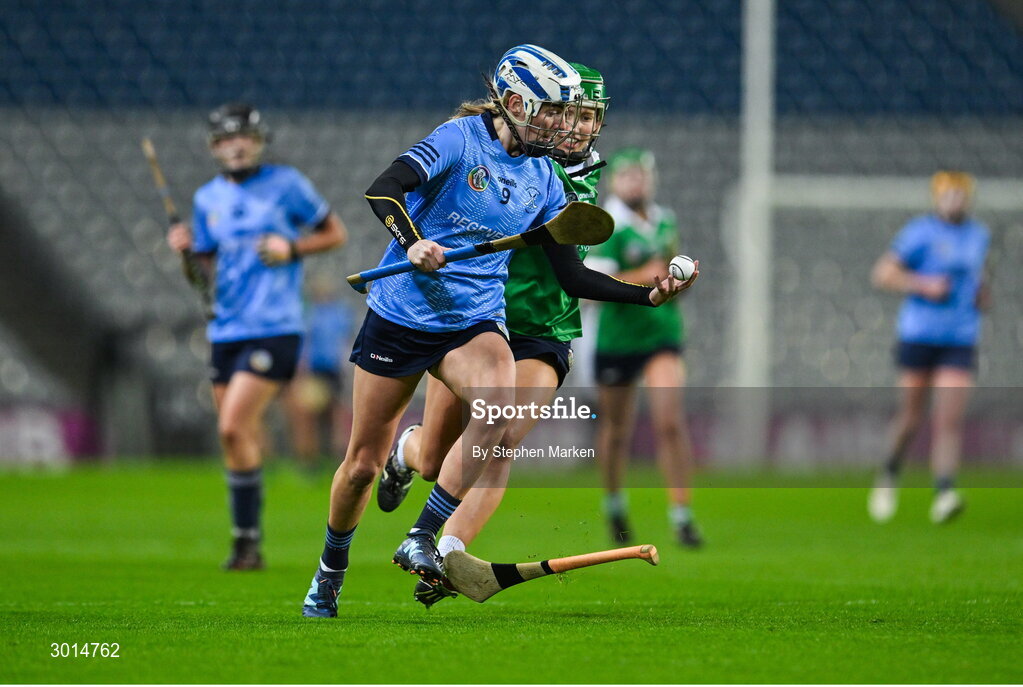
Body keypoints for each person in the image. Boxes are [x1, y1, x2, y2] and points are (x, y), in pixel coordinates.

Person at [374, 65, 699, 607]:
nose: (576, 127)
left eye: (589, 117)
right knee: (435, 459)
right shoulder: (515, 159)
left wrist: (649, 293)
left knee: (500, 438)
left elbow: (572, 275)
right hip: (474, 322)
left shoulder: (591, 183)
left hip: (543, 331)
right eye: (570, 114)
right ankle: (401, 454)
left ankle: (445, 552)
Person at [301, 45, 589, 618]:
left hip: (473, 320)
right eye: (552, 111)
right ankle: (330, 571)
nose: (562, 124)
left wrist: (646, 293)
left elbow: (570, 272)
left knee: (499, 406)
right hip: (402, 313)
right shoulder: (459, 139)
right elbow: (383, 188)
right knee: (360, 464)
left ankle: (423, 535)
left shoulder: (544, 176)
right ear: (513, 103)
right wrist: (412, 241)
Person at [167, 103, 347, 570]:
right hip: (226, 328)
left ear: (259, 140)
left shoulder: (287, 185)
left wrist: (293, 247)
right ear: (214, 147)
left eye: (244, 136)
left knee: (231, 423)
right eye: (226, 139)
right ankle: (247, 544)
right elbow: (203, 275)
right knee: (235, 435)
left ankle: (248, 541)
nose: (237, 145)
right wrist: (187, 253)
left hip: (276, 326)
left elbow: (334, 233)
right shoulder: (207, 199)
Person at [584, 148, 703, 548]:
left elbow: (668, 280)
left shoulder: (665, 221)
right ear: (615, 182)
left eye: (643, 175)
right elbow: (598, 286)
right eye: (628, 175)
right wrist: (650, 275)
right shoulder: (606, 224)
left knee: (669, 420)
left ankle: (682, 515)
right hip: (617, 338)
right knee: (618, 431)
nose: (637, 182)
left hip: (660, 334)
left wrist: (677, 286)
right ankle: (615, 505)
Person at [868, 171, 990, 524]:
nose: (955, 200)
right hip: (920, 334)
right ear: (937, 198)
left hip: (961, 337)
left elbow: (976, 281)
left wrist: (981, 296)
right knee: (911, 417)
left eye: (961, 194)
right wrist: (923, 284)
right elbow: (883, 273)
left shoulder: (979, 235)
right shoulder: (920, 233)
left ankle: (944, 491)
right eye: (948, 194)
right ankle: (889, 472)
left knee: (949, 418)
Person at [283, 272, 355, 472]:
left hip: (334, 370)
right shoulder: (309, 313)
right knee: (309, 416)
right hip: (315, 370)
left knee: (335, 415)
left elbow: (345, 342)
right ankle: (310, 459)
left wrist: (347, 367)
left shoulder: (339, 313)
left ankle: (335, 456)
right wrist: (301, 371)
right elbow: (303, 345)